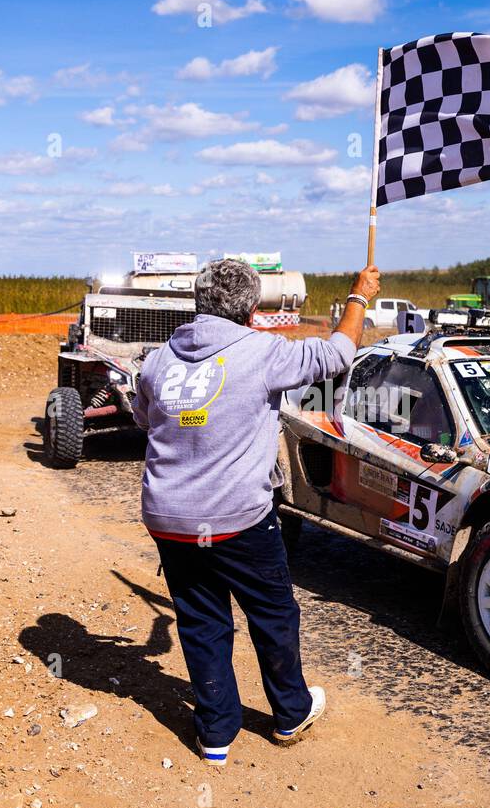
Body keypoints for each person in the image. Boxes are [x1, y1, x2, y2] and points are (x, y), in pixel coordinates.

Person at [132, 259, 377, 765]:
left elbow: (146, 417)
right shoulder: (262, 352)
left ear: (197, 304)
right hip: (238, 518)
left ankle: (216, 734)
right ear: (251, 309)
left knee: (201, 621)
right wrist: (358, 297)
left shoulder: (156, 362)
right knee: (272, 614)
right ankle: (290, 712)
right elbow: (338, 354)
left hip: (171, 519)